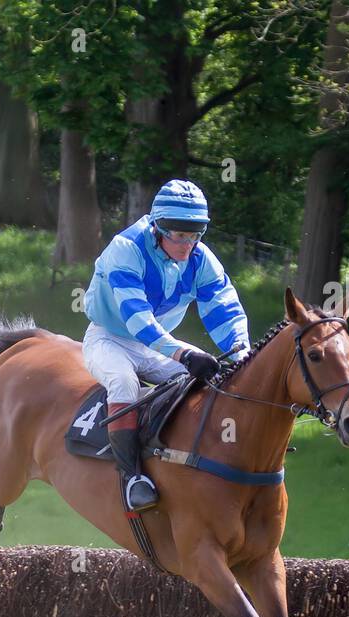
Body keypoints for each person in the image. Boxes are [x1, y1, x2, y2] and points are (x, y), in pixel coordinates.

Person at [82, 179, 251, 512]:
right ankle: (132, 479)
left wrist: (241, 354)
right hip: (107, 337)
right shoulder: (125, 248)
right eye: (178, 235)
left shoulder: (201, 259)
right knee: (124, 382)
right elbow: (136, 318)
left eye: (195, 234)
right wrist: (185, 353)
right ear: (157, 227)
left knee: (211, 379)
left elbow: (224, 307)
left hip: (154, 346)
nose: (187, 244)